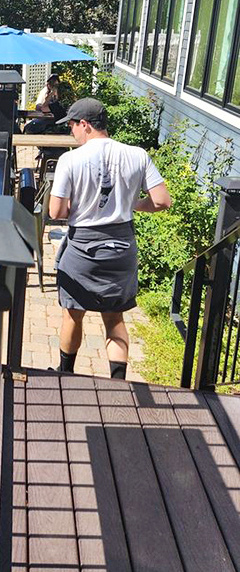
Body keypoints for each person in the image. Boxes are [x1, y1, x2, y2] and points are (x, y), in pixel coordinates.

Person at [48, 97, 171, 380]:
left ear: (85, 125)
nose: (71, 132)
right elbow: (163, 201)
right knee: (115, 318)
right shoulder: (137, 155)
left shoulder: (70, 159)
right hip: (122, 247)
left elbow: (57, 211)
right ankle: (117, 383)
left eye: (72, 126)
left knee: (72, 313)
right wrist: (131, 204)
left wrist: (77, 206)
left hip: (83, 249)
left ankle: (65, 374)